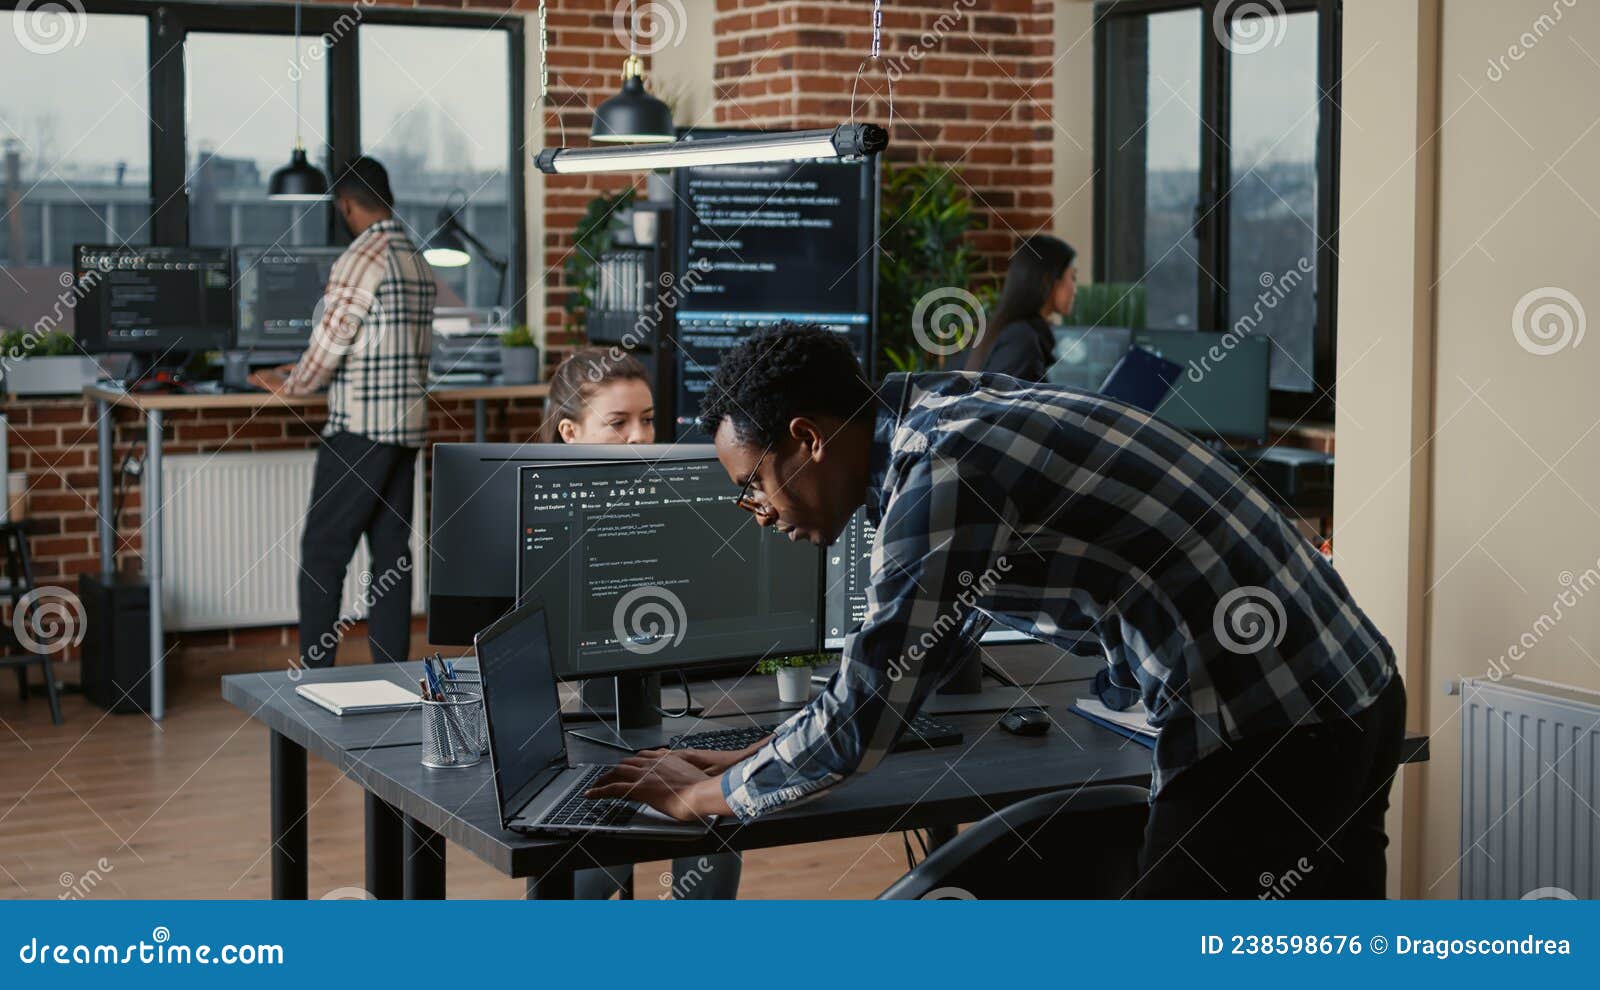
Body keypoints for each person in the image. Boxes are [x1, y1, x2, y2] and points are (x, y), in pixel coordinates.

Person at [588, 324, 1407, 899]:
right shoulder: (943, 413)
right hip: (1353, 684)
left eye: (750, 485)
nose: (755, 511)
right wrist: (751, 753)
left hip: (1271, 720)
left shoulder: (942, 472)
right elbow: (925, 651)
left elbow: (866, 718)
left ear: (806, 438)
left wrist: (715, 794)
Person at [541, 347, 744, 901]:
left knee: (714, 824)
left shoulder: (684, 506)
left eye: (648, 419)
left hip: (658, 721)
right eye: (617, 423)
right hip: (584, 730)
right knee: (596, 845)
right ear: (570, 432)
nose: (639, 436)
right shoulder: (544, 527)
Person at [251, 157, 435, 669]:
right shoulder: (414, 257)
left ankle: (315, 677)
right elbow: (375, 341)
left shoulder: (361, 258)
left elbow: (329, 347)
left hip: (360, 431)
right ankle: (395, 674)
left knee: (323, 554)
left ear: (347, 205)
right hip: (405, 430)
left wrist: (289, 382)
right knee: (391, 557)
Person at [962, 234, 1077, 380]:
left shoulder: (1011, 332)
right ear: (1048, 279)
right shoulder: (1021, 341)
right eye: (1072, 277)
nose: (1075, 289)